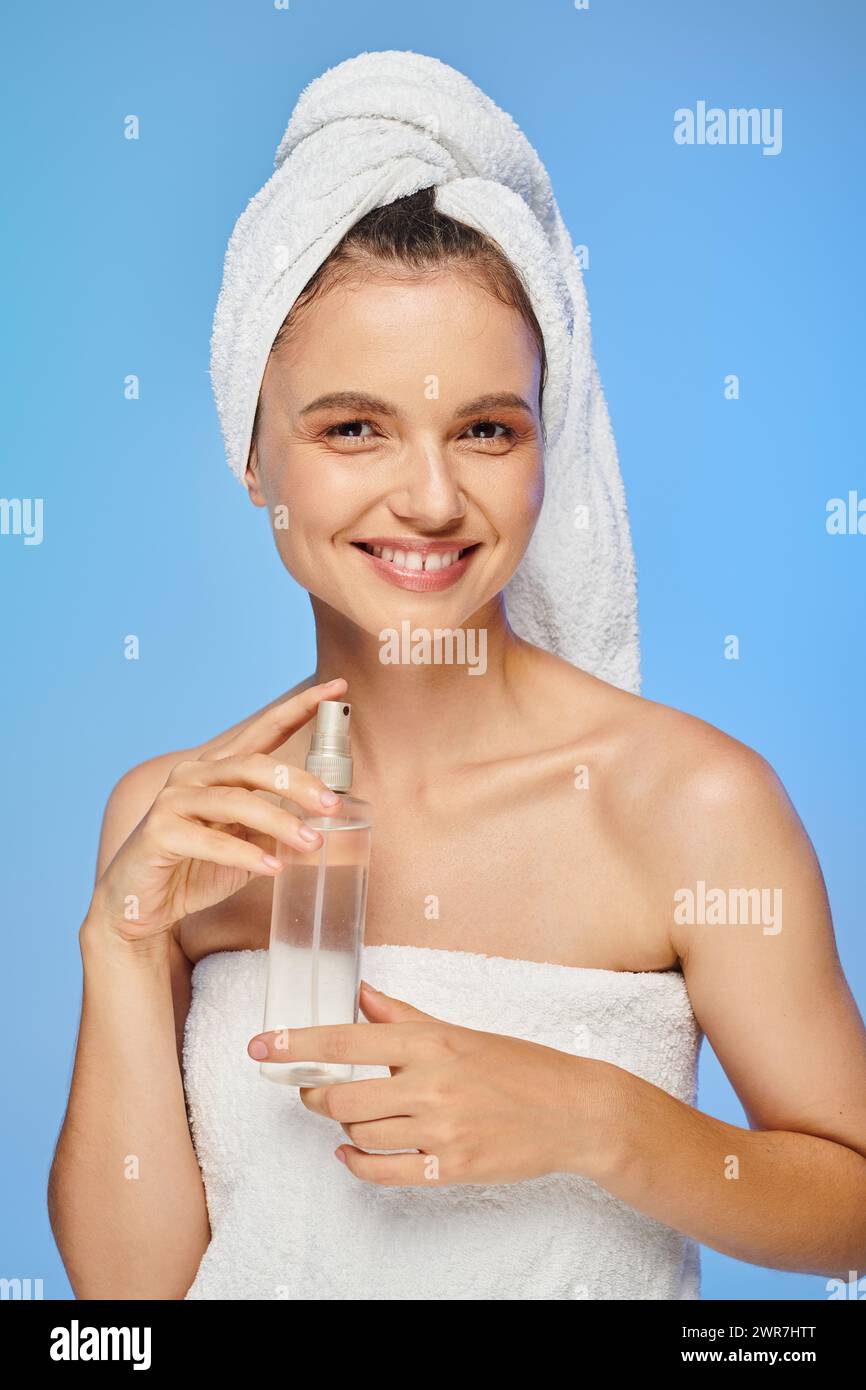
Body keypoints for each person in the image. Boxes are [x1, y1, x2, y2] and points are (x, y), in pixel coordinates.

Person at [48, 54, 866, 1301]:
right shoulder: (180, 824)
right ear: (252, 456)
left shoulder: (689, 806)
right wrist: (117, 942)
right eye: (351, 427)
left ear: (550, 441)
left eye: (486, 427)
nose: (430, 498)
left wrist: (599, 1119)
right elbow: (128, 1306)